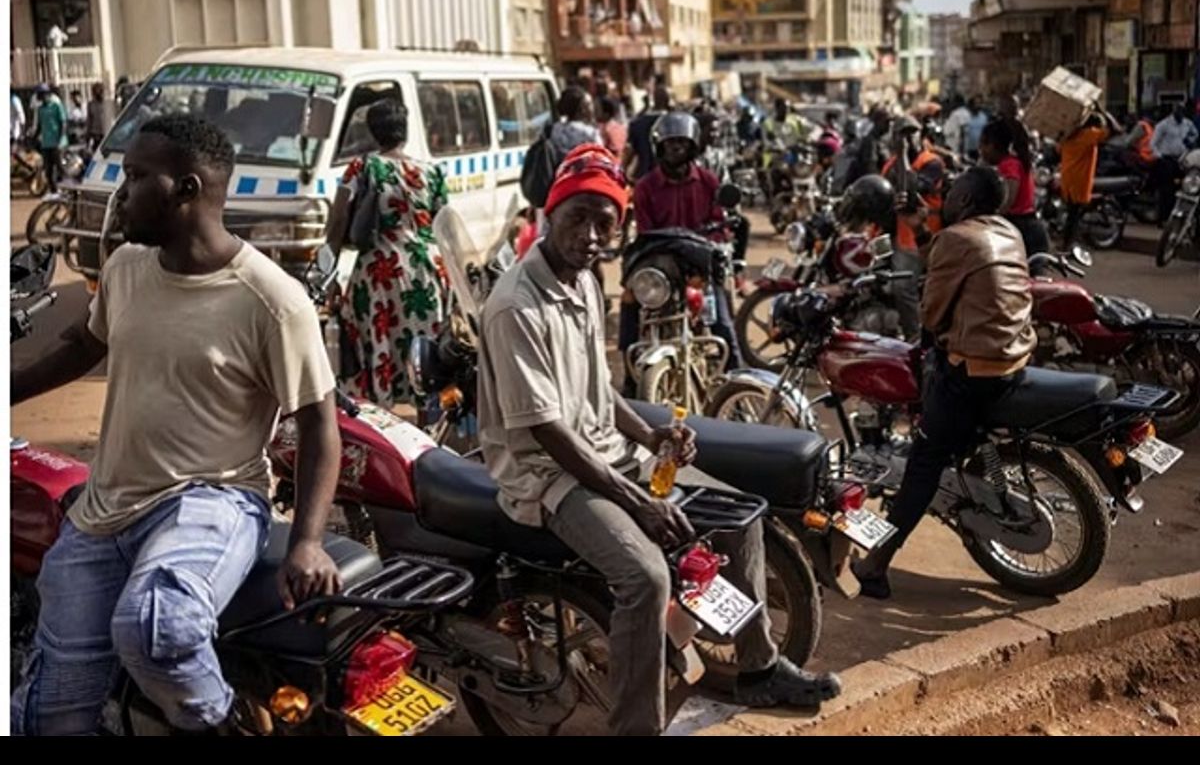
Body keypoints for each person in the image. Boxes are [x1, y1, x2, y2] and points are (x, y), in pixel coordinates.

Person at [476, 142, 842, 735]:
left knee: (739, 516)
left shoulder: (586, 283)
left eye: (606, 223)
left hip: (606, 455)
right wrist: (635, 497)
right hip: (548, 476)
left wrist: (652, 437)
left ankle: (759, 666)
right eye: (579, 217)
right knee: (644, 577)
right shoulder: (516, 305)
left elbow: (594, 388)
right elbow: (546, 430)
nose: (592, 234)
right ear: (550, 214)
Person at [10, 115, 341, 735]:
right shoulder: (126, 268)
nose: (121, 192)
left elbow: (321, 426)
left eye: (136, 177)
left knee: (157, 624)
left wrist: (308, 540)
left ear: (185, 190)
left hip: (213, 499)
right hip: (104, 512)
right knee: (52, 715)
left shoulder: (271, 299)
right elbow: (84, 347)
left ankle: (228, 725)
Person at [851, 167, 1036, 600]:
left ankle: (875, 564)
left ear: (968, 201)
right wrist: (920, 227)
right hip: (1014, 360)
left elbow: (931, 316)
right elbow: (960, 259)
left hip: (973, 372)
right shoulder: (1007, 230)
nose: (944, 199)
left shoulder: (957, 238)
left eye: (952, 194)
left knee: (923, 464)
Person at [322, 98, 450, 408]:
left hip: (379, 275)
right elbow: (446, 229)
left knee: (378, 350)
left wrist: (326, 275)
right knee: (425, 356)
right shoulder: (432, 173)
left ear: (373, 133)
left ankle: (387, 431)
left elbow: (338, 222)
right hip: (426, 274)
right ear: (405, 131)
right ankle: (427, 430)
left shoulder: (361, 168)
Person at [622, 112, 744, 391]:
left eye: (682, 143)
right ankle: (630, 381)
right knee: (630, 298)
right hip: (661, 262)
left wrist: (706, 252)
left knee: (724, 323)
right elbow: (645, 233)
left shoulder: (709, 181)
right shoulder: (645, 187)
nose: (676, 148)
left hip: (701, 261)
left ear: (693, 147)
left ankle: (737, 389)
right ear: (659, 147)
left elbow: (718, 227)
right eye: (670, 143)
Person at [881, 116, 946, 340]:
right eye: (902, 134)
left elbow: (910, 188)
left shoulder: (932, 162)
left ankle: (914, 338)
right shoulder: (890, 165)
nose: (908, 138)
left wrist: (902, 155)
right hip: (898, 237)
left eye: (912, 132)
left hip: (923, 239)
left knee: (903, 288)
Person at [979, 118, 1051, 271]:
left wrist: (993, 218)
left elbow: (1009, 199)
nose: (981, 151)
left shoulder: (1008, 164)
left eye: (983, 145)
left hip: (1022, 229)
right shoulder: (1016, 161)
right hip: (1029, 226)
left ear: (992, 145)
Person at [1059, 108, 1121, 249]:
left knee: (1072, 214)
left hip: (1067, 181)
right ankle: (1067, 247)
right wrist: (1105, 112)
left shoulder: (1068, 137)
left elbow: (1057, 150)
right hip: (1079, 182)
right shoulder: (1089, 135)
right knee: (1073, 216)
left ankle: (1067, 244)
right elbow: (1117, 130)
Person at [1150, 103, 1200, 227]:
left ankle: (1177, 218)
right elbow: (1153, 143)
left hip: (1181, 160)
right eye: (1178, 111)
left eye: (1182, 112)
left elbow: (1195, 134)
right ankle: (1162, 219)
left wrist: (1190, 142)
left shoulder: (1187, 124)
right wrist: (1159, 156)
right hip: (1166, 160)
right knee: (1165, 191)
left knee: (1181, 190)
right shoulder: (1164, 125)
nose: (1180, 114)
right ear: (1174, 112)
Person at [623, 84, 671, 181]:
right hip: (671, 177)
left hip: (644, 177)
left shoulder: (637, 124)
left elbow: (629, 152)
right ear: (668, 101)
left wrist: (623, 171)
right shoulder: (674, 122)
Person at [549, 85, 603, 162]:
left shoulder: (553, 130)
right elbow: (601, 159)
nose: (592, 108)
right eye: (589, 104)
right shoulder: (590, 134)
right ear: (582, 108)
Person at [34, 84, 68, 195]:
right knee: (48, 170)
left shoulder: (56, 106)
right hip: (46, 144)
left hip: (57, 143)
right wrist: (34, 137)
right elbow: (39, 126)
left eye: (44, 95)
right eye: (41, 96)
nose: (43, 97)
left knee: (60, 168)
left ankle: (67, 189)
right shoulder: (40, 109)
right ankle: (54, 192)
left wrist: (61, 138)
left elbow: (63, 122)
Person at [86, 82, 114, 151]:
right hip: (97, 135)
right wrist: (88, 136)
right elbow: (89, 121)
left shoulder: (110, 103)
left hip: (108, 135)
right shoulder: (91, 104)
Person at [963, 95, 989, 160]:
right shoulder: (965, 117)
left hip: (979, 150)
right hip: (966, 149)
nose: (978, 106)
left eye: (980, 103)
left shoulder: (983, 118)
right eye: (976, 104)